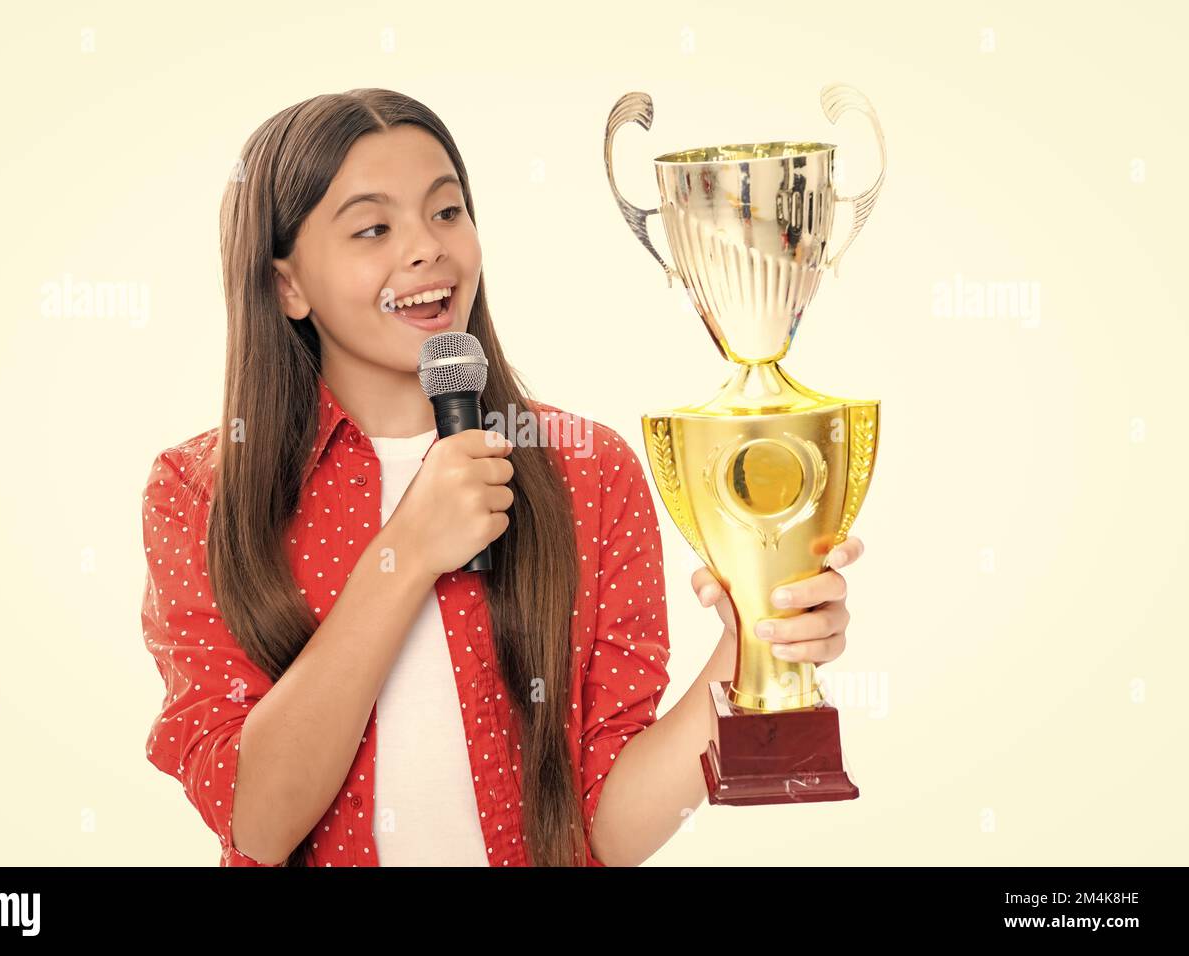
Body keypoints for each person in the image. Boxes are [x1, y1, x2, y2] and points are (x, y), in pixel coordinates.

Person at [139, 88, 864, 867]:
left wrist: (751, 638)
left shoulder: (588, 470)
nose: (427, 249)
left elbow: (608, 831)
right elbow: (259, 820)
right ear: (288, 285)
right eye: (374, 227)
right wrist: (409, 550)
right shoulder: (200, 493)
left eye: (446, 212)